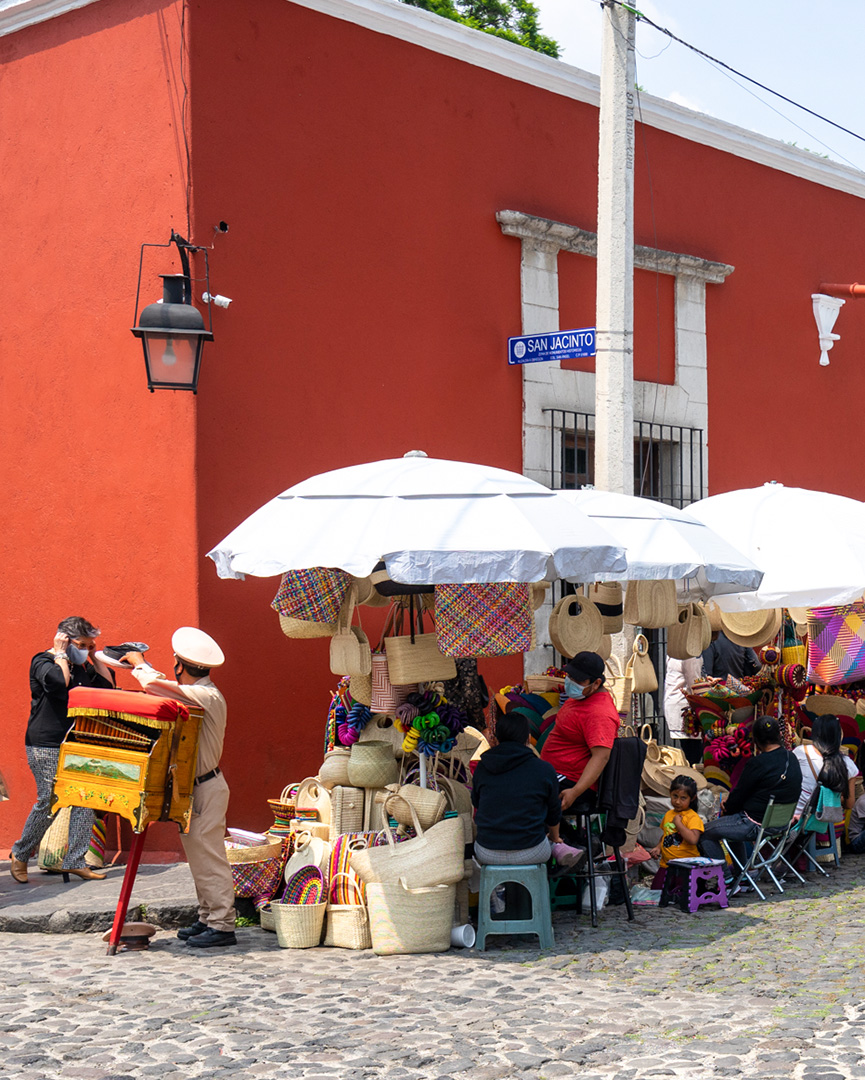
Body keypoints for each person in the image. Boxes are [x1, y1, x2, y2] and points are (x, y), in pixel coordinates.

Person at [123, 628, 237, 948]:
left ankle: (222, 925)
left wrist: (138, 661)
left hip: (206, 787)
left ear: (180, 665)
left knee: (209, 858)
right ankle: (207, 918)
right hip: (197, 788)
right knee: (199, 858)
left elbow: (153, 686)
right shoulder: (199, 692)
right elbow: (168, 689)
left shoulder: (206, 695)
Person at [10, 617, 115, 884]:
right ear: (64, 640)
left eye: (90, 645)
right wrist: (60, 654)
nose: (86, 650)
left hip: (77, 741)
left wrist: (94, 655)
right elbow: (59, 684)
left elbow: (107, 687)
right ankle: (21, 854)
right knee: (50, 800)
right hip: (46, 743)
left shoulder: (81, 665)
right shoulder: (43, 662)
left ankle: (76, 861)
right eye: (82, 644)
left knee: (83, 800)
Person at [471, 708, 583, 868]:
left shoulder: (482, 767)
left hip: (487, 851)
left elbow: (476, 802)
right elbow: (554, 812)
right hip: (531, 850)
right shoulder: (544, 769)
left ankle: (555, 847)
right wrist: (555, 837)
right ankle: (557, 847)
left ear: (496, 739)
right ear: (529, 738)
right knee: (544, 839)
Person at [699, 715, 801, 867]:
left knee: (704, 833)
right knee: (731, 824)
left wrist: (727, 805)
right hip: (782, 823)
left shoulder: (757, 763)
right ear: (779, 735)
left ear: (756, 740)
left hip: (755, 824)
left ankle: (724, 877)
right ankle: (742, 875)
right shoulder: (791, 757)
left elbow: (739, 795)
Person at [540, 651, 620, 813]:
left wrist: (575, 792)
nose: (571, 682)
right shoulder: (580, 698)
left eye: (579, 680)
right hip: (555, 773)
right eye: (570, 676)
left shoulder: (599, 713)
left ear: (596, 683)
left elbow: (601, 756)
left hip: (571, 781)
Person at [793, 714, 857, 818]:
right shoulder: (848, 764)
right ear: (838, 736)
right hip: (827, 825)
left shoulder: (801, 752)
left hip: (796, 820)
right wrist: (831, 796)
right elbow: (849, 804)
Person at [649, 775, 704, 889]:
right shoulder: (669, 814)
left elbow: (693, 839)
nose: (677, 801)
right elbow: (666, 834)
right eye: (675, 796)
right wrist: (658, 847)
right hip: (666, 865)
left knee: (681, 894)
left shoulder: (693, 817)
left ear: (692, 798)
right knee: (657, 891)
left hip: (686, 866)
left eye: (683, 798)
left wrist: (679, 824)